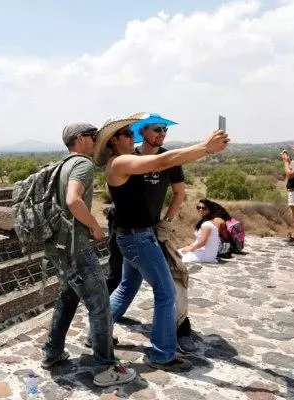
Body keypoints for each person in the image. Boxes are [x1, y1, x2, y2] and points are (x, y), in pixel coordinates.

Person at [94, 112, 229, 372]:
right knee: (166, 293)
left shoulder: (123, 160)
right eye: (126, 134)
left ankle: (97, 335)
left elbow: (163, 164)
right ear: (113, 141)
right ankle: (161, 353)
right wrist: (204, 147)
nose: (131, 136)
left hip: (134, 235)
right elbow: (160, 162)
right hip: (138, 238)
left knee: (126, 287)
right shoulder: (119, 162)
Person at [42, 122, 136, 387]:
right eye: (93, 136)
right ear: (80, 139)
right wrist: (94, 226)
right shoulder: (82, 165)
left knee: (67, 298)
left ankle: (52, 352)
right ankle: (106, 366)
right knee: (100, 306)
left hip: (60, 247)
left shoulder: (61, 165)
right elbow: (73, 200)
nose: (97, 140)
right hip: (78, 248)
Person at [179, 199, 222, 264]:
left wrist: (190, 249)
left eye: (204, 208)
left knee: (180, 258)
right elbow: (198, 240)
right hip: (204, 251)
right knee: (178, 252)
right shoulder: (205, 222)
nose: (200, 210)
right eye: (198, 207)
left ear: (209, 210)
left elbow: (203, 242)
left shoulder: (207, 224)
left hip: (206, 254)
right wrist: (190, 246)